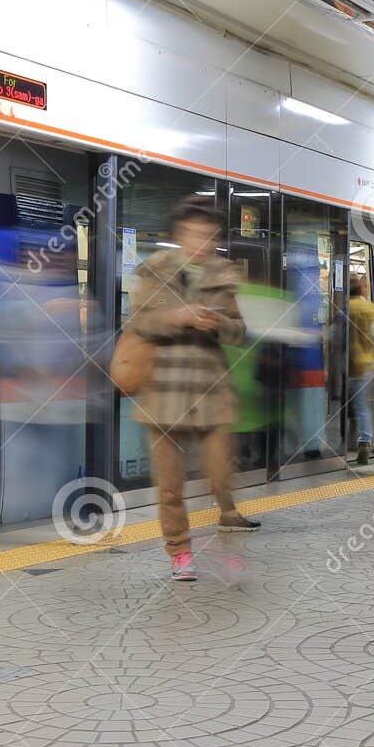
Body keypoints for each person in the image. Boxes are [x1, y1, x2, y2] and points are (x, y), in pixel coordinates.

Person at [125, 195, 259, 582]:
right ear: (180, 235)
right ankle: (179, 551)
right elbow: (141, 323)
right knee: (169, 483)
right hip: (164, 390)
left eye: (209, 235)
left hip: (211, 388)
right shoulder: (154, 271)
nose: (202, 243)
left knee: (220, 472)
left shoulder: (224, 274)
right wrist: (178, 316)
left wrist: (218, 323)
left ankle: (226, 511)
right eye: (194, 234)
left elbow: (239, 330)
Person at [346, 274, 374, 466]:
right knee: (363, 407)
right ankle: (364, 440)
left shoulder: (345, 309)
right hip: (370, 365)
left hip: (351, 366)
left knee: (356, 406)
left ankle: (361, 441)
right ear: (361, 290)